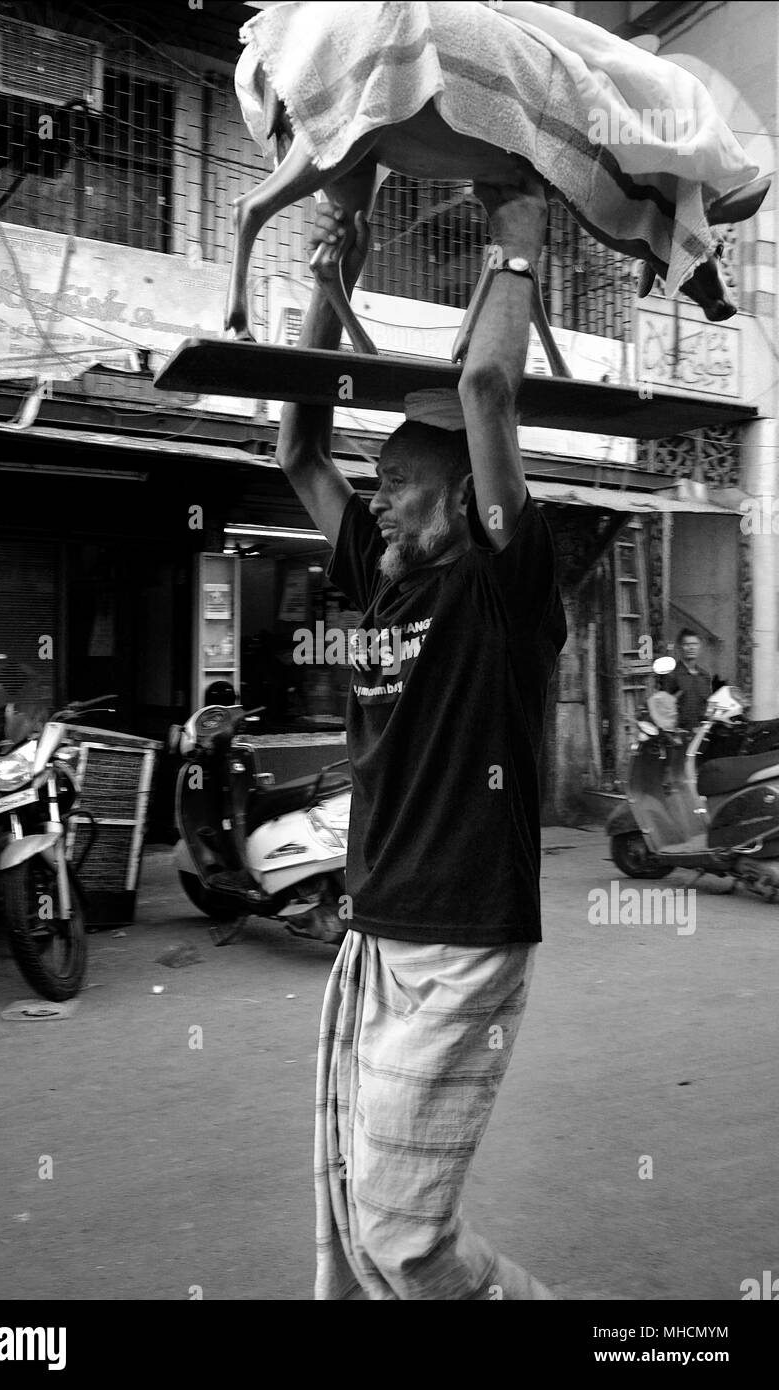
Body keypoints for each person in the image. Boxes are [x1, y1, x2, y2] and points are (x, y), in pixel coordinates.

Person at [275, 165, 567, 1300]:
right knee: (358, 1217)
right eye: (380, 483)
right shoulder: (386, 579)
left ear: (463, 497)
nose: (377, 498)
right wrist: (330, 264)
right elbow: (298, 450)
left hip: (462, 937)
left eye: (398, 483)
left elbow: (489, 384)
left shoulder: (504, 583)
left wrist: (519, 233)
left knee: (403, 1236)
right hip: (378, 932)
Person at [666, 629, 717, 731]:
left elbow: (708, 704)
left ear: (700, 647)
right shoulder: (672, 675)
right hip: (680, 734)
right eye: (687, 644)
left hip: (701, 733)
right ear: (680, 647)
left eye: (694, 644)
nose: (691, 648)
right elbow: (665, 706)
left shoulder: (704, 676)